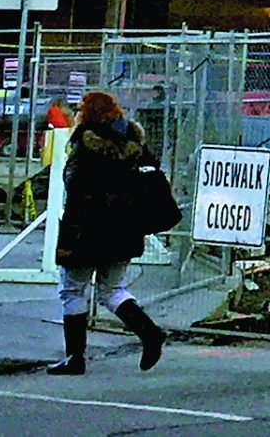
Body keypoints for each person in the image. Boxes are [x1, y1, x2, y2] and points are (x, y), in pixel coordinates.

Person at [50, 90, 167, 375]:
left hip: (86, 228)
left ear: (88, 113)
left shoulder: (85, 142)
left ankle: (75, 358)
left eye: (79, 108)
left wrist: (69, 234)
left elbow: (76, 186)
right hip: (125, 228)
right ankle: (149, 332)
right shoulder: (134, 142)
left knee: (73, 289)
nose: (76, 112)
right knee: (112, 289)